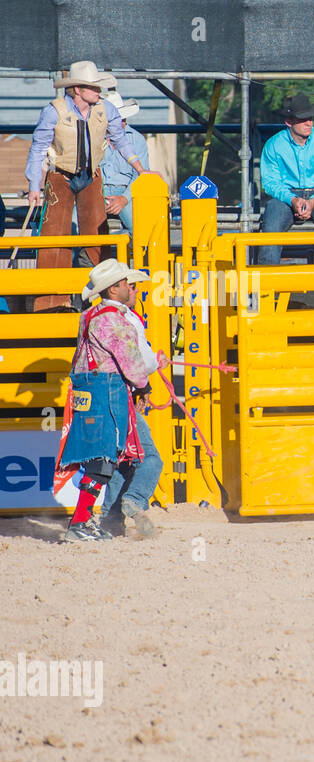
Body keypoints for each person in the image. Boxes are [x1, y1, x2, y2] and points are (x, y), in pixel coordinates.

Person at [24, 61, 152, 311]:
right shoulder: (54, 111)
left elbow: (122, 141)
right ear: (78, 90)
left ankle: (101, 299)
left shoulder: (106, 110)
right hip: (61, 176)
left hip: (92, 176)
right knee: (55, 238)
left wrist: (140, 170)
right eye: (93, 88)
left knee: (97, 237)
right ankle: (51, 304)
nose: (98, 92)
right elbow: (38, 148)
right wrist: (34, 186)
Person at [57, 259, 158, 542]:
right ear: (114, 289)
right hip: (108, 391)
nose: (130, 287)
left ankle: (88, 520)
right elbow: (134, 367)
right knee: (104, 460)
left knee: (101, 458)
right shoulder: (115, 320)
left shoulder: (89, 316)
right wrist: (144, 385)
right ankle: (80, 524)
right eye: (126, 284)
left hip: (88, 390)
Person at [257, 93, 314, 265]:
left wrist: (312, 201)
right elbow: (270, 183)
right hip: (285, 196)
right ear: (289, 122)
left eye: (310, 118)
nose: (309, 123)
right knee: (270, 231)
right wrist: (292, 199)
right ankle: (266, 289)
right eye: (302, 119)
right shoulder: (274, 145)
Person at [98, 82, 149, 236]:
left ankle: (116, 244)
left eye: (122, 118)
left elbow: (139, 176)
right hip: (97, 192)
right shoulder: (93, 137)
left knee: (141, 231)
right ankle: (84, 260)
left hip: (126, 192)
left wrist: (123, 199)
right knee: (74, 227)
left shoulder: (137, 139)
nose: (121, 122)